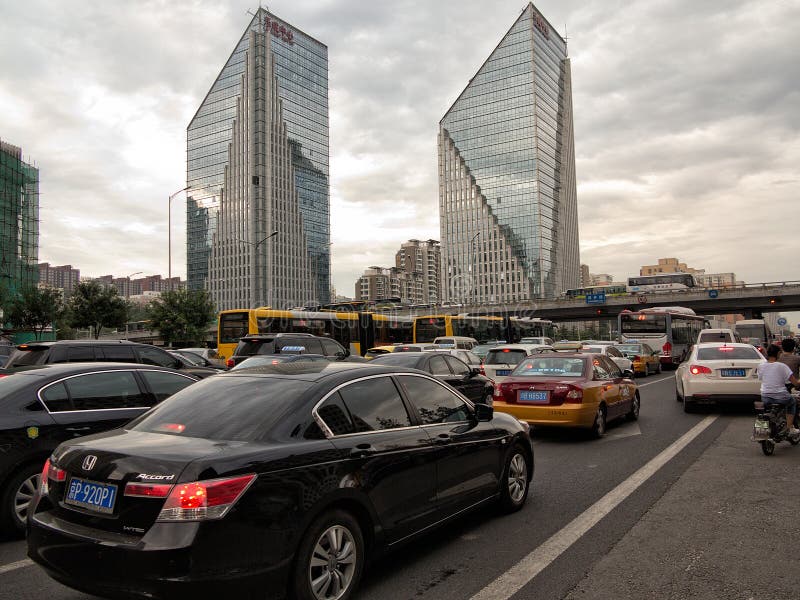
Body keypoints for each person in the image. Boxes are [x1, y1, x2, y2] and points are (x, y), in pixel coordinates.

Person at [757, 344, 800, 436]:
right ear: (778, 354)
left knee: (764, 411)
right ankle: (789, 428)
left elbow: (760, 378)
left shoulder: (760, 366)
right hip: (781, 396)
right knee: (792, 402)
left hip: (765, 396)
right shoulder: (782, 366)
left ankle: (761, 433)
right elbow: (795, 383)